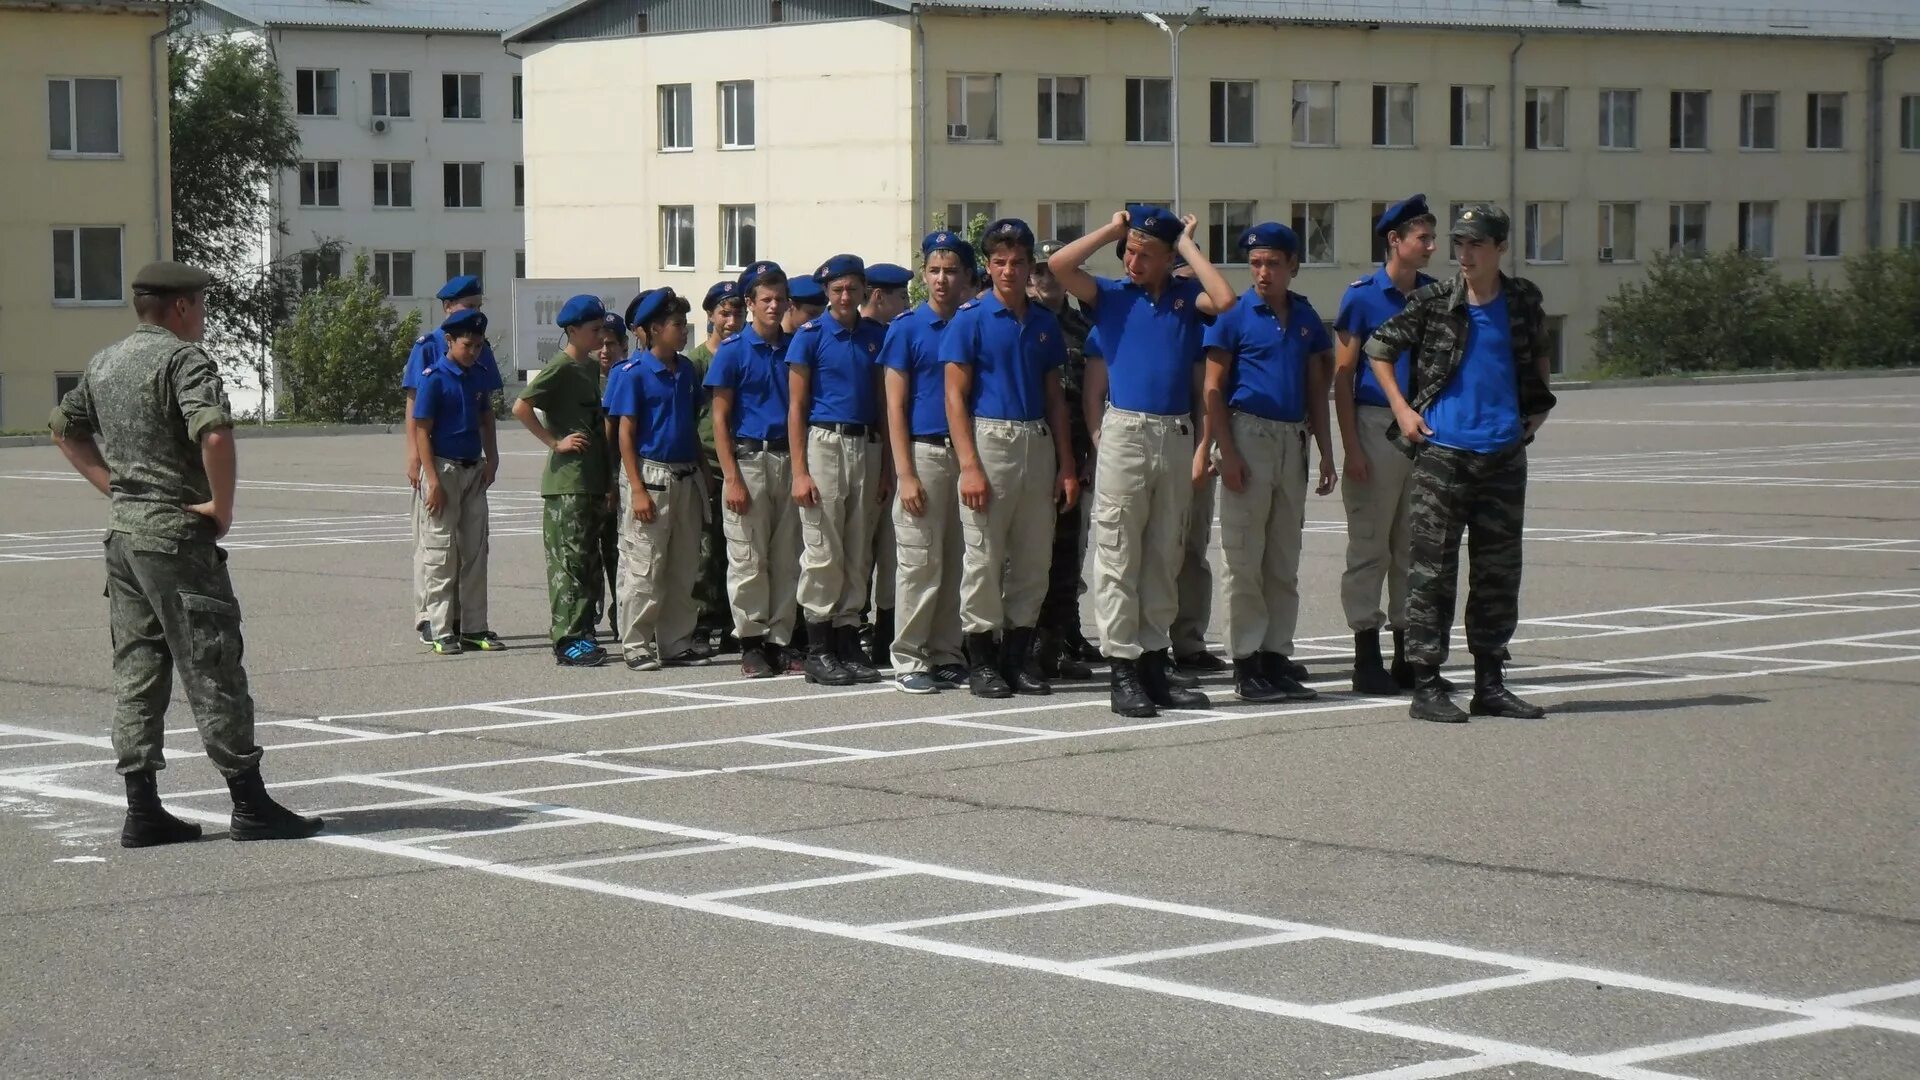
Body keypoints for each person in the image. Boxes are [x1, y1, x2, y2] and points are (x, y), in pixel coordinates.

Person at [49, 260, 323, 846]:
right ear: (179, 307)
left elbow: (63, 427)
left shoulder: (105, 361)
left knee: (138, 668)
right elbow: (215, 434)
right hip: (174, 537)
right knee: (212, 660)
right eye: (199, 303)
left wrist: (115, 487)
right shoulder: (182, 360)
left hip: (124, 538)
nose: (202, 313)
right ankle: (249, 803)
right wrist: (221, 507)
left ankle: (142, 806)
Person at [1362, 203, 1557, 723]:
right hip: (1443, 456)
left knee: (1498, 573)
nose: (1465, 255)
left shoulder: (1521, 302)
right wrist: (1402, 410)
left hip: (1502, 455)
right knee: (1431, 573)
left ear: (1499, 248)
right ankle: (1426, 684)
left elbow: (1539, 352)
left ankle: (1490, 683)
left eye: (1476, 244)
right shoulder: (1435, 302)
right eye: (1459, 245)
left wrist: (1535, 410)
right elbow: (1377, 348)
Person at [1049, 205, 1237, 718]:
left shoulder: (1182, 297)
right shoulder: (1111, 296)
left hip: (1175, 433)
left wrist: (1188, 247)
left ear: (1166, 257)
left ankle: (1155, 664)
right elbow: (1060, 269)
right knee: (1117, 552)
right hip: (1127, 432)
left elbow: (1224, 300)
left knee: (1163, 553)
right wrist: (1112, 229)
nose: (1133, 260)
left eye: (1145, 253)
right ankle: (1124, 670)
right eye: (1129, 250)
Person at [945, 218, 1080, 698]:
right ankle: (980, 659)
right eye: (999, 261)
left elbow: (1055, 399)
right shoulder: (971, 318)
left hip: (1037, 441)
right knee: (984, 556)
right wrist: (969, 465)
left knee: (1032, 557)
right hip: (991, 439)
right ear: (988, 265)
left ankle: (1016, 659)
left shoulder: (1044, 322)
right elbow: (955, 397)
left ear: (1029, 267)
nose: (1009, 270)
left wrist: (1066, 465)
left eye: (1018, 262)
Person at [1200, 223, 1334, 702]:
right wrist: (1227, 452)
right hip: (1248, 434)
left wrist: (1326, 451)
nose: (1263, 272)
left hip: (1291, 439)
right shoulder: (1236, 316)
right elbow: (1213, 389)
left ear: (1292, 266)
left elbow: (1318, 385)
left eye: (1273, 263)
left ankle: (1277, 655)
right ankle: (1247, 662)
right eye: (1256, 263)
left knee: (1283, 558)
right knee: (1244, 559)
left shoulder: (1304, 316)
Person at [1336, 195, 1441, 695]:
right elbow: (1341, 376)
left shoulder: (1435, 295)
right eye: (1423, 238)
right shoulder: (1361, 297)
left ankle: (1407, 654)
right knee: (1369, 547)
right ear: (1394, 240)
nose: (1431, 247)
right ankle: (1365, 658)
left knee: (1412, 548)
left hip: (1423, 428)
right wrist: (1350, 446)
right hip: (1374, 424)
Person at [881, 233, 975, 694]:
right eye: (935, 270)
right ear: (923, 276)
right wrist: (906, 474)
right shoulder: (905, 328)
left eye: (951, 270)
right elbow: (894, 407)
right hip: (924, 453)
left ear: (966, 277)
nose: (942, 279)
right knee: (919, 560)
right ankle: (910, 657)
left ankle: (946, 652)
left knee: (958, 560)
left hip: (969, 454)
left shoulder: (972, 322)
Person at [788, 255, 889, 685]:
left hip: (866, 443)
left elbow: (886, 405)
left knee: (857, 547)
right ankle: (818, 647)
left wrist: (887, 467)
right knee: (824, 547)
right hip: (825, 442)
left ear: (864, 289)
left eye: (852, 289)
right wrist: (799, 471)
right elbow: (795, 408)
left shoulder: (875, 336)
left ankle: (848, 638)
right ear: (827, 293)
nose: (845, 297)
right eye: (837, 290)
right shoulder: (810, 337)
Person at [606, 288, 710, 670]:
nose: (684, 332)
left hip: (687, 474)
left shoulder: (684, 370)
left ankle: (676, 640)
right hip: (651, 474)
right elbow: (625, 435)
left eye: (684, 324)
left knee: (683, 564)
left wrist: (704, 474)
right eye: (677, 325)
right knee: (645, 562)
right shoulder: (634, 374)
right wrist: (636, 489)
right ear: (653, 329)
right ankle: (635, 642)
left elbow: (690, 426)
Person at [707, 261, 802, 677]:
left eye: (780, 299)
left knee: (787, 557)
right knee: (748, 556)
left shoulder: (794, 347)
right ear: (749, 303)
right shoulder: (733, 351)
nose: (774, 306)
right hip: (749, 461)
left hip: (787, 458)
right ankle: (750, 641)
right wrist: (731, 477)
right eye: (766, 299)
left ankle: (781, 639)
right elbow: (720, 419)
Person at [513, 294, 616, 667]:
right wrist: (555, 442)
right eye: (593, 330)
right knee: (569, 564)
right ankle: (567, 639)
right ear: (572, 331)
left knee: (588, 564)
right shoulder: (560, 367)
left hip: (591, 479)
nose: (600, 337)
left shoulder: (590, 369)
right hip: (567, 482)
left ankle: (584, 631)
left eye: (602, 329)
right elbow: (521, 406)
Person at [402, 275, 503, 643]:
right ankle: (430, 617)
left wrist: (492, 456)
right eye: (467, 306)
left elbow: (484, 406)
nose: (475, 312)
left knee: (472, 544)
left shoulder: (479, 348)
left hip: (469, 460)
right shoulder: (429, 346)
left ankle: (466, 622)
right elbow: (415, 405)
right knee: (433, 544)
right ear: (448, 307)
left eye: (478, 306)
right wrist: (413, 457)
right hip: (437, 458)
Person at [1027, 240, 1097, 681]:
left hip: (1075, 451)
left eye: (1052, 271)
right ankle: (1025, 648)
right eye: (1039, 272)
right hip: (1033, 451)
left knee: (1067, 557)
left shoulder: (1084, 328)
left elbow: (1097, 396)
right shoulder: (1025, 325)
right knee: (1028, 556)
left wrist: (1091, 455)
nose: (1044, 279)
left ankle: (1055, 647)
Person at [858, 261, 914, 667]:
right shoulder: (864, 337)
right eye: (901, 296)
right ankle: (850, 631)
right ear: (878, 296)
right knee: (853, 550)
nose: (906, 303)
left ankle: (884, 635)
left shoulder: (890, 334)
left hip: (886, 452)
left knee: (892, 552)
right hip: (858, 448)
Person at [688, 280, 746, 653]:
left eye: (737, 312)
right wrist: (702, 468)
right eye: (724, 313)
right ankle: (701, 622)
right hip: (707, 462)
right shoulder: (696, 362)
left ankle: (731, 622)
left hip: (742, 460)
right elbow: (689, 418)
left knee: (739, 549)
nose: (731, 320)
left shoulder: (744, 352)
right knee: (706, 550)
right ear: (710, 315)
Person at [592, 311, 630, 637]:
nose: (605, 351)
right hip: (591, 479)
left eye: (611, 344)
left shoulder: (627, 376)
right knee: (590, 553)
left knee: (618, 551)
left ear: (624, 345)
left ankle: (622, 615)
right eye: (600, 344)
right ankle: (590, 617)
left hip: (620, 475)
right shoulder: (584, 378)